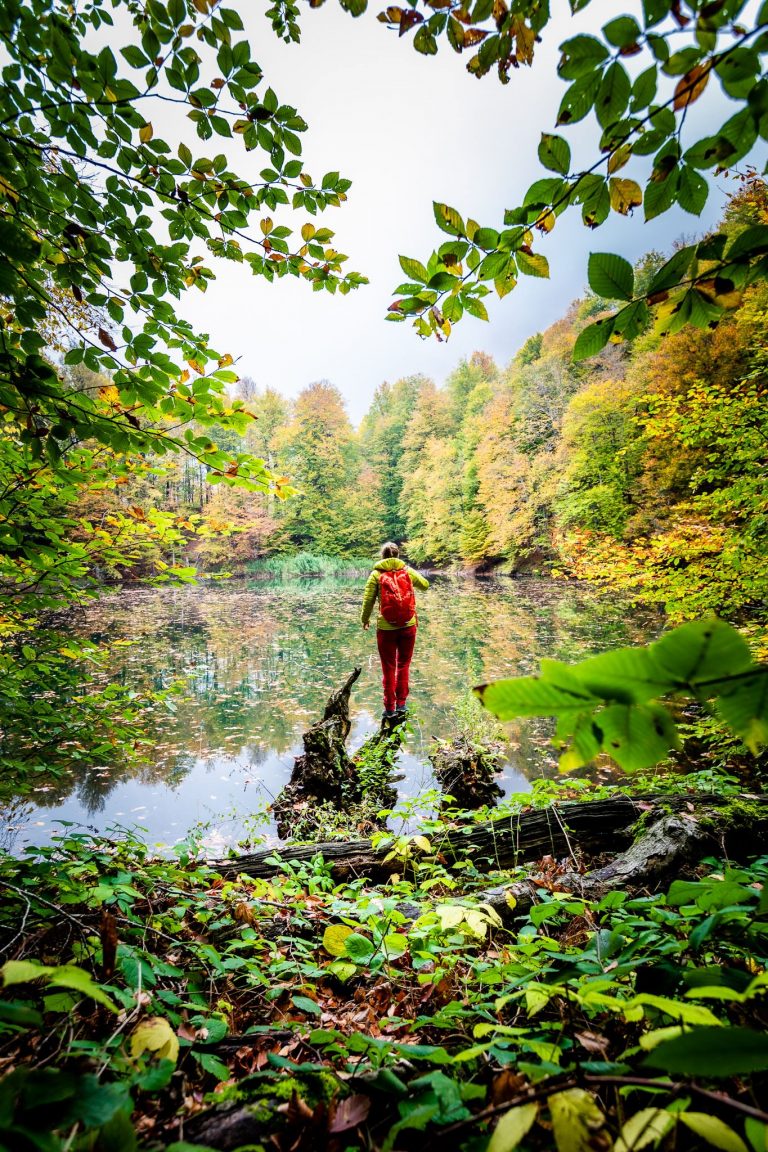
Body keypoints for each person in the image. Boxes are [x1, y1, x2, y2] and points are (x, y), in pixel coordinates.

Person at [360, 542, 429, 721]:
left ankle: (389, 708)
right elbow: (425, 585)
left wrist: (365, 620)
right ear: (397, 556)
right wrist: (408, 569)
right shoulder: (406, 571)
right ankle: (402, 705)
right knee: (403, 665)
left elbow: (367, 602)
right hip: (408, 626)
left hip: (386, 629)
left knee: (388, 668)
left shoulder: (376, 575)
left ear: (382, 556)